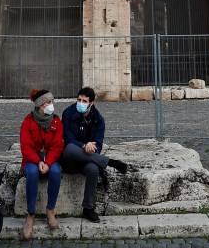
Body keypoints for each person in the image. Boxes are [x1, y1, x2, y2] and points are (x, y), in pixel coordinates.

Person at [59, 86, 130, 223]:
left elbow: (98, 144)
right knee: (69, 148)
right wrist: (84, 146)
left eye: (84, 101)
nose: (80, 103)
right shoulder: (68, 113)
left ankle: (88, 209)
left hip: (87, 159)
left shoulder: (98, 120)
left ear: (92, 103)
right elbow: (68, 139)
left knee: (93, 169)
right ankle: (110, 162)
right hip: (69, 159)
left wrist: (91, 149)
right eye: (79, 100)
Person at [19, 88, 63, 239]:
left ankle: (50, 209)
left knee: (56, 172)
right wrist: (38, 161)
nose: (52, 105)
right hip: (33, 159)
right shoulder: (28, 121)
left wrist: (48, 162)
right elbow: (25, 146)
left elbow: (58, 145)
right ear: (40, 105)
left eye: (52, 101)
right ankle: (31, 214)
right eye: (49, 102)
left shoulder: (56, 121)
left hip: (50, 159)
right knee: (31, 173)